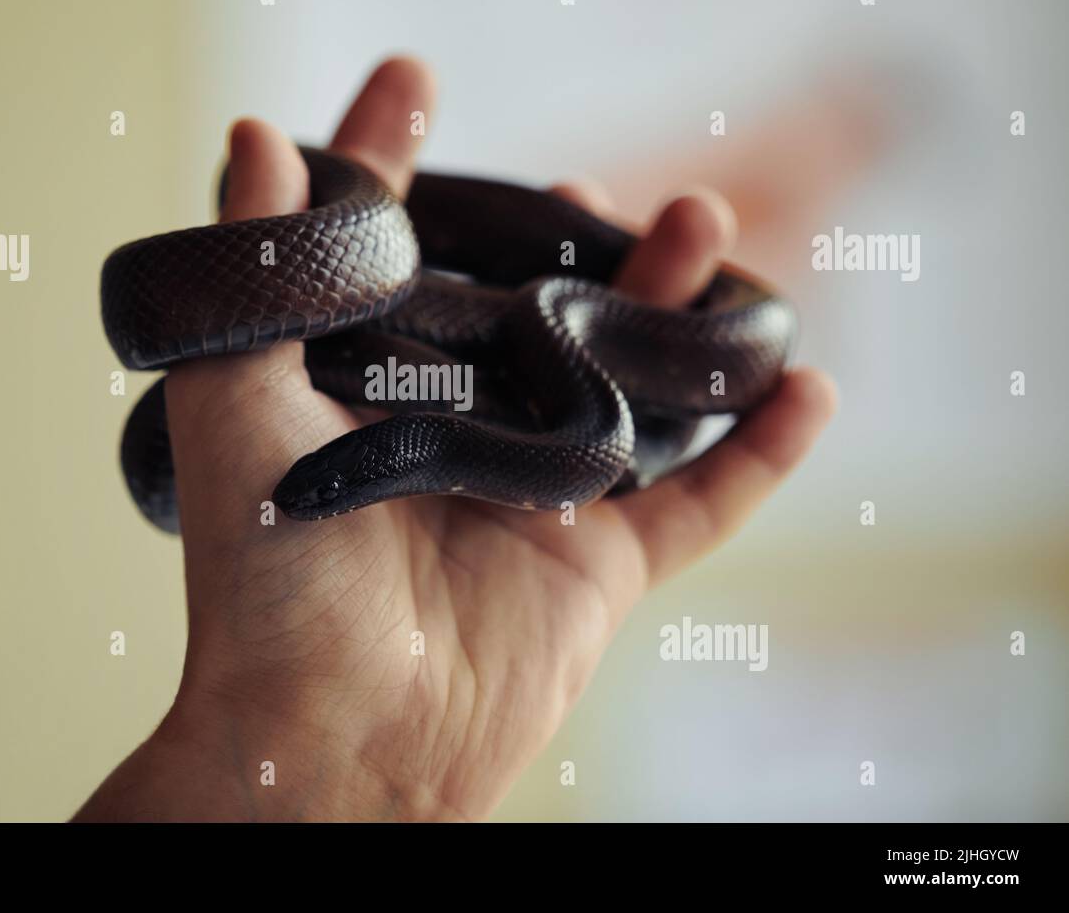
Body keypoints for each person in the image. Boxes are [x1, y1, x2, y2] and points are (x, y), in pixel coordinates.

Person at [74, 56, 836, 822]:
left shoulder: (581, 409)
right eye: (334, 490)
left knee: (551, 303)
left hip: (530, 333)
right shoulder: (575, 438)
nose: (312, 496)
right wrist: (307, 733)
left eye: (336, 490)